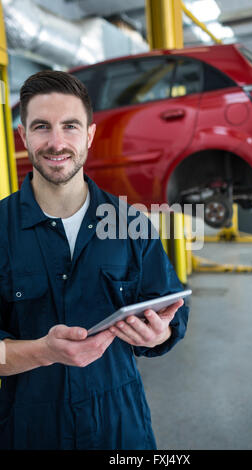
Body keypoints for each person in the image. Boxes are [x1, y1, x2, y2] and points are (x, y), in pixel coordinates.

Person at [0, 71, 189, 450]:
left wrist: (159, 333)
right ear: (24, 137)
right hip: (29, 428)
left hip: (120, 427)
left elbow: (171, 312)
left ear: (89, 134)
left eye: (70, 126)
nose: (56, 143)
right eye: (41, 127)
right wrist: (42, 351)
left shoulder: (130, 224)